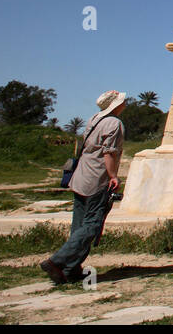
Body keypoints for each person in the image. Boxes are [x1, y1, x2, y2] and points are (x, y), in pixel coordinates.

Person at [40, 90, 126, 284]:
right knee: (93, 224)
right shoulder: (114, 123)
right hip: (97, 177)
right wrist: (113, 176)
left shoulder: (94, 119)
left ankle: (71, 269)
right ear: (116, 105)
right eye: (123, 101)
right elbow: (109, 153)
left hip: (81, 175)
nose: (125, 103)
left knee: (78, 224)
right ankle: (57, 261)